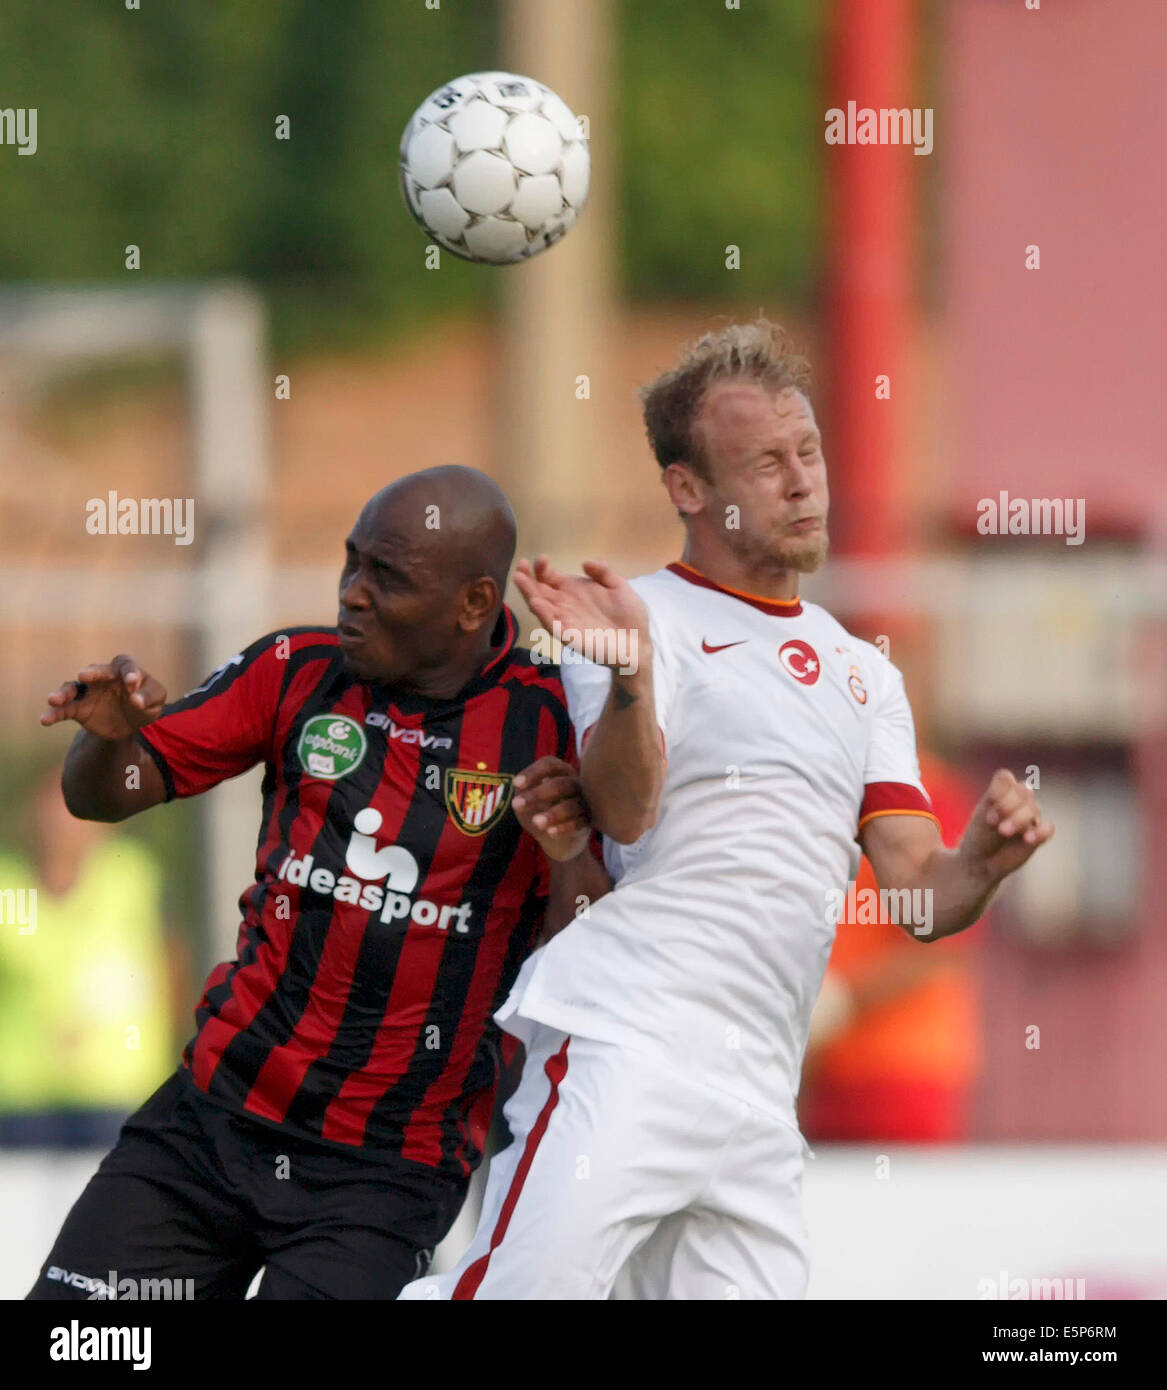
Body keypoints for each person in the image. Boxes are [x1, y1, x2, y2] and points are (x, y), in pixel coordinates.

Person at [399, 320, 1054, 1301]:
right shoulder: (634, 620)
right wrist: (630, 677)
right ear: (689, 489)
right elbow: (623, 813)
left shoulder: (864, 674)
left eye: (808, 453)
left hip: (758, 1089)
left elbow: (920, 900)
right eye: (765, 465)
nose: (802, 484)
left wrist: (987, 862)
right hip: (630, 1037)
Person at [29, 464, 607, 1300]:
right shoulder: (296, 669)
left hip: (385, 1172)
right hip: (213, 1120)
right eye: (351, 562)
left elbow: (594, 940)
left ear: (474, 604)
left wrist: (567, 849)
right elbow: (106, 796)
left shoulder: (553, 720)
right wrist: (111, 740)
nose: (352, 593)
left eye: (386, 577)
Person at [800, 749, 984, 1144]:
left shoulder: (926, 794)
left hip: (900, 1073)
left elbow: (942, 946)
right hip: (819, 1073)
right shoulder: (815, 791)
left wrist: (843, 1000)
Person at [0, 765, 180, 1149]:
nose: (62, 824)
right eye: (52, 810)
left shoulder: (133, 878)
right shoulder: (7, 889)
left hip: (117, 1094)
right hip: (21, 1100)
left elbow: (172, 966)